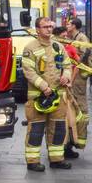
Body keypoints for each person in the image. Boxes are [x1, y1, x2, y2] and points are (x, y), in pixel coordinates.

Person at [19, 17, 71, 172]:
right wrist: (43, 86)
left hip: (58, 97)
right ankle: (33, 161)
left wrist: (66, 76)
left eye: (51, 26)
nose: (49, 29)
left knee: (58, 128)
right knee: (36, 129)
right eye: (45, 26)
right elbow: (28, 71)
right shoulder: (30, 48)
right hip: (38, 98)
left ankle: (56, 159)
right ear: (37, 30)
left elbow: (67, 65)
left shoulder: (58, 47)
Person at [61, 16, 91, 160]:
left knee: (78, 106)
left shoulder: (81, 38)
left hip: (78, 77)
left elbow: (82, 58)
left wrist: (73, 78)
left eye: (68, 24)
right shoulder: (72, 37)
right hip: (72, 75)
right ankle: (71, 140)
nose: (67, 26)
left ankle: (77, 139)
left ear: (74, 26)